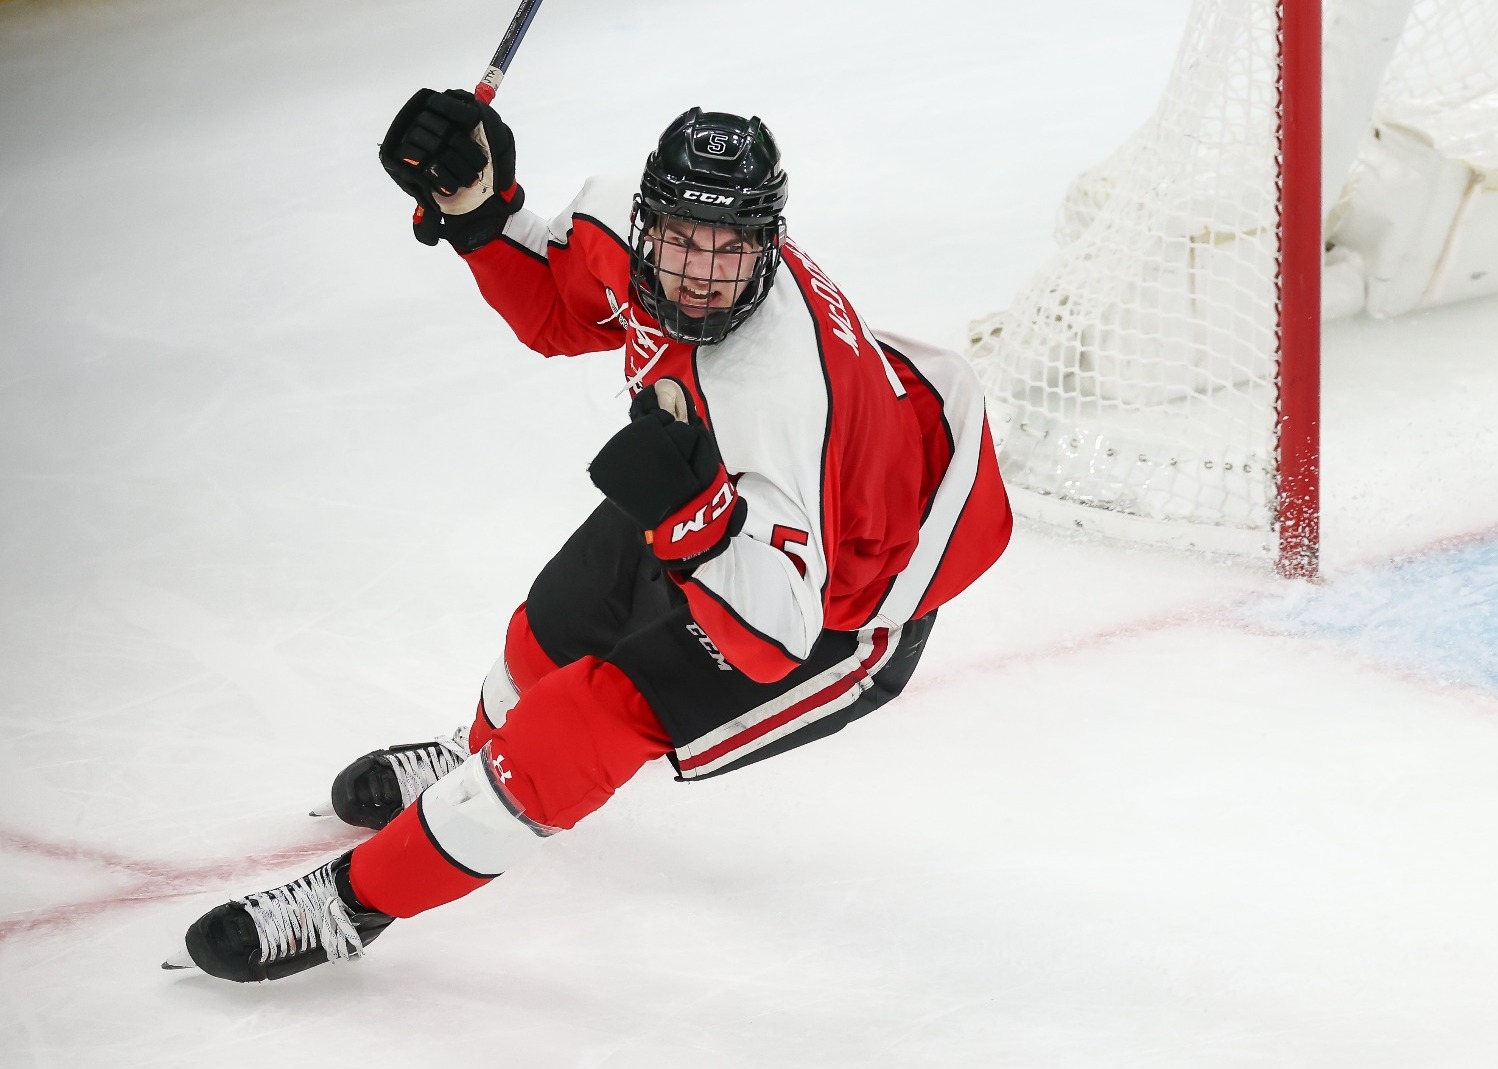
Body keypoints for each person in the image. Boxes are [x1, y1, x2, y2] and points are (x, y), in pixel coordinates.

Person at [168, 88, 1013, 982]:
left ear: (768, 247)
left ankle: (347, 904)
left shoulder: (779, 396)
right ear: (648, 223)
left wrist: (696, 525)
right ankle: (472, 753)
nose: (701, 272)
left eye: (731, 250)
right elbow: (562, 308)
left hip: (843, 601)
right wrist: (478, 212)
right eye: (684, 238)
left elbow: (776, 634)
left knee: (581, 724)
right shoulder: (619, 231)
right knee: (552, 626)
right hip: (714, 490)